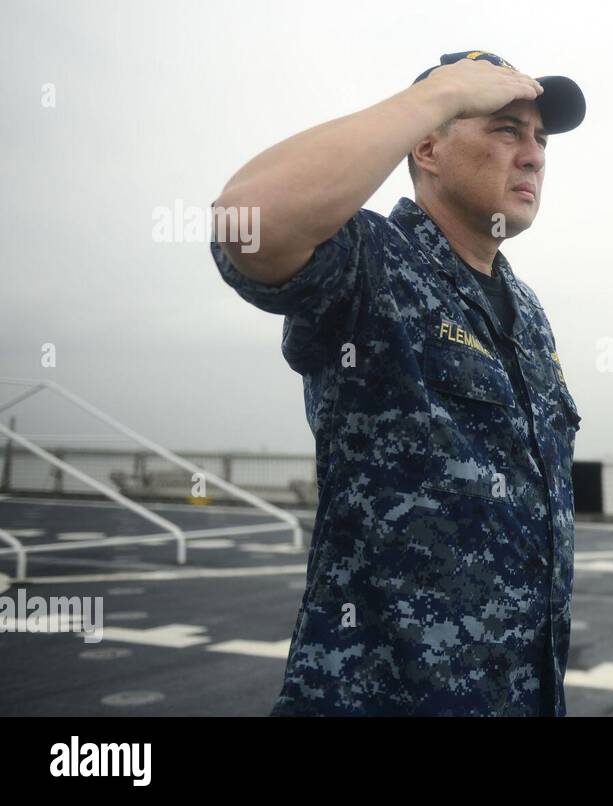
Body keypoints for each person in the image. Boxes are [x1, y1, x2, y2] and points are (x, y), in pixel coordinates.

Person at [208, 50, 586, 715]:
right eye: (505, 129)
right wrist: (434, 97)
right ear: (429, 148)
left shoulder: (526, 313)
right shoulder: (372, 262)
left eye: (540, 138)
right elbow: (247, 221)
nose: (533, 155)